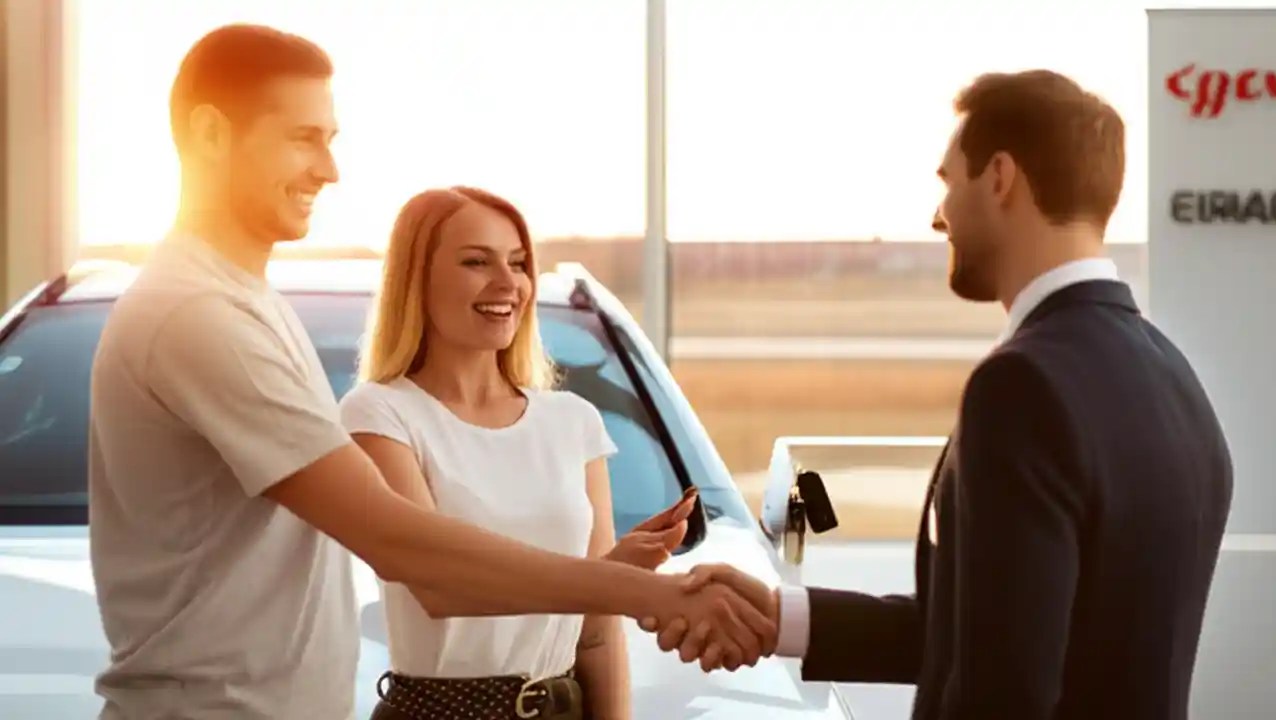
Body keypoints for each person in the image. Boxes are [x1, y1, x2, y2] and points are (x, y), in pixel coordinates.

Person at [87, 24, 773, 720]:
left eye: (330, 138)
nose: (329, 169)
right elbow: (398, 541)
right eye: (303, 137)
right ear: (209, 135)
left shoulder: (247, 303)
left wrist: (613, 585)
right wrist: (652, 593)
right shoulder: (200, 317)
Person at [650, 69, 1234, 720]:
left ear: (1001, 177)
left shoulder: (1020, 387)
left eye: (948, 181)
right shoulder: (1174, 377)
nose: (938, 216)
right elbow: (997, 636)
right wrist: (779, 616)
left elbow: (1003, 693)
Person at [338, 186, 693, 719]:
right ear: (416, 278)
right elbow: (439, 584)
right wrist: (614, 579)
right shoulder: (380, 414)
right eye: (477, 261)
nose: (509, 284)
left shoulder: (573, 422)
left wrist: (611, 584)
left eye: (520, 263)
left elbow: (595, 636)